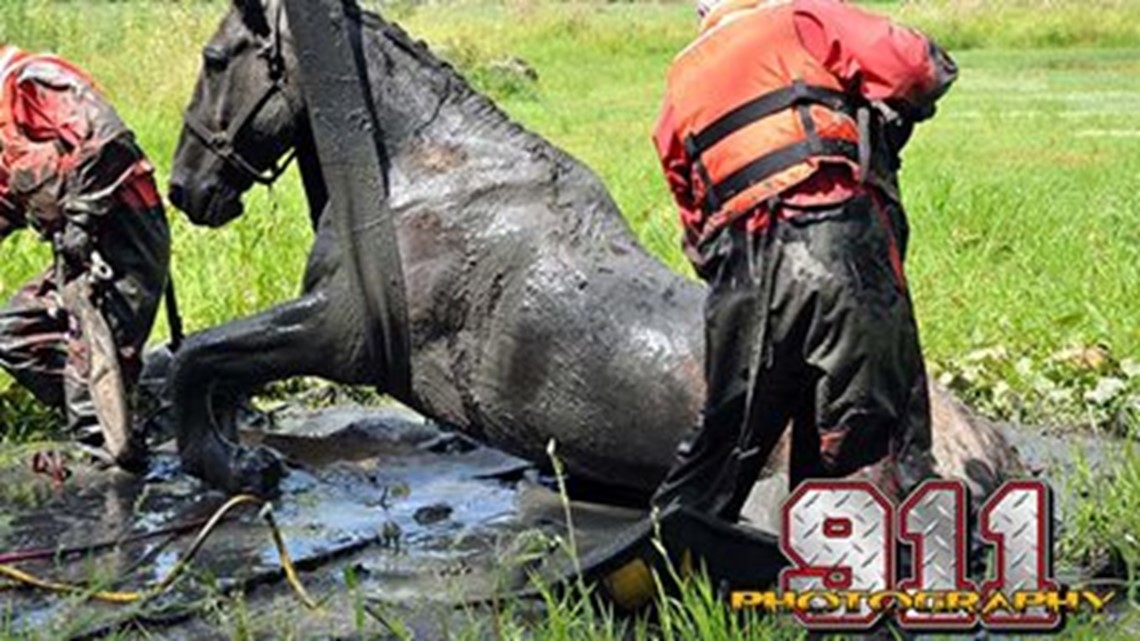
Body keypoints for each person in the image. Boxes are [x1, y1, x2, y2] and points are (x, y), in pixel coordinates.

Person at [650, 0, 957, 521]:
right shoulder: (800, 15)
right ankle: (883, 572)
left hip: (739, 273)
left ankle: (663, 555)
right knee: (870, 424)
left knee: (726, 440)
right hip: (837, 244)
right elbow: (914, 67)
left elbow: (692, 216)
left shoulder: (681, 77)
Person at [0, 45, 170, 468]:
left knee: (92, 398)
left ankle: (113, 464)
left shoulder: (31, 82)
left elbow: (109, 140)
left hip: (124, 234)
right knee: (15, 337)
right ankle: (126, 409)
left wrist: (80, 221)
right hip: (75, 248)